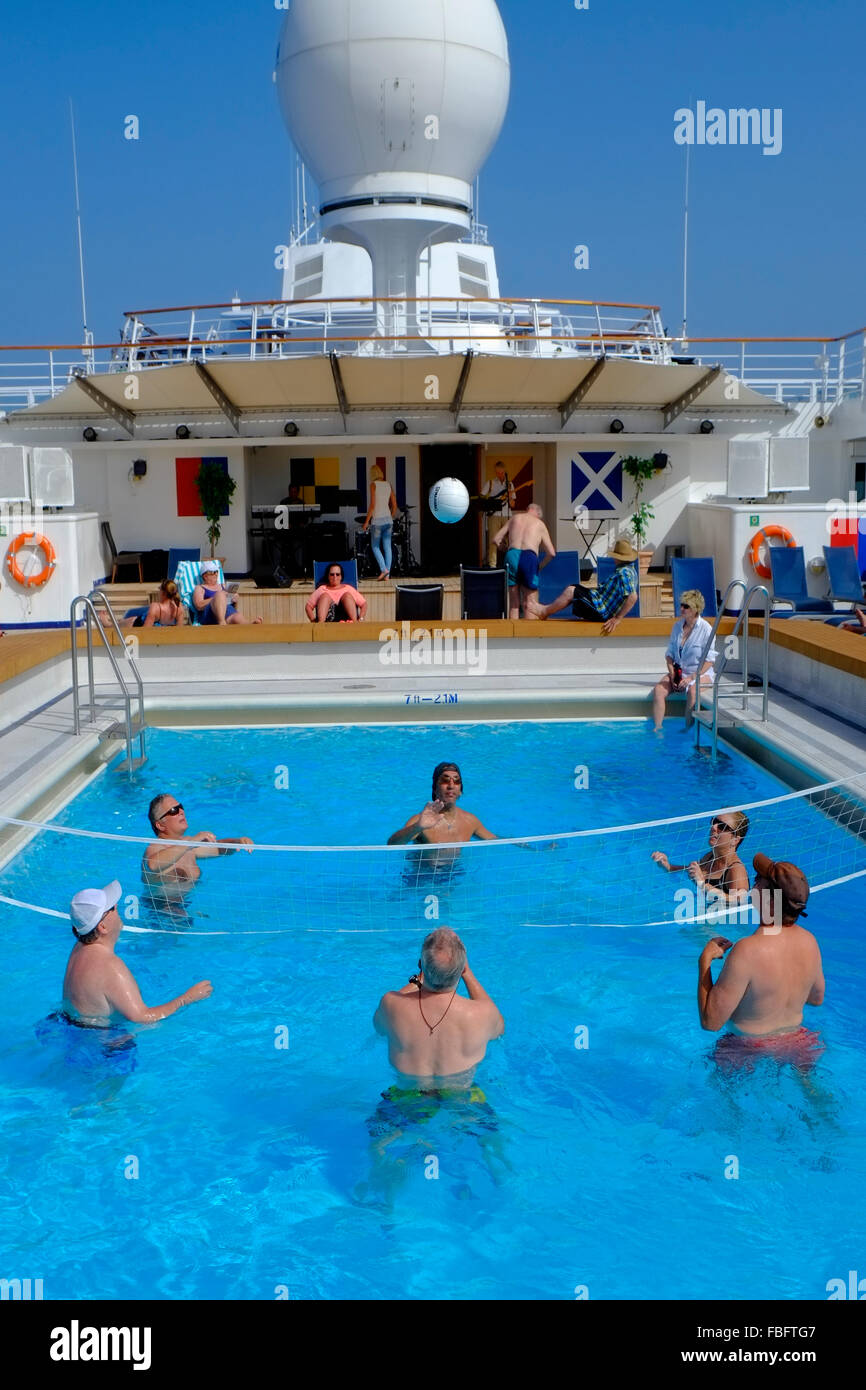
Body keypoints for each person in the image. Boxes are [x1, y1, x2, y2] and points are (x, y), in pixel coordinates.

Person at [699, 854, 825, 1069]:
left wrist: (704, 962)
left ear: (770, 900)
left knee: (728, 1095)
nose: (752, 884)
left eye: (758, 881)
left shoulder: (747, 950)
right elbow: (816, 999)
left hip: (746, 1046)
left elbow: (711, 1023)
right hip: (797, 1041)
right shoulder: (810, 941)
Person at [61, 880, 212, 1025]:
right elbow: (142, 1018)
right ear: (103, 927)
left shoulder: (79, 947)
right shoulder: (110, 967)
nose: (117, 906)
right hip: (105, 1041)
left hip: (68, 1022)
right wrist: (186, 999)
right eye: (112, 908)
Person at [142, 794, 254, 902]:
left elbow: (219, 849)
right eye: (174, 811)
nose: (181, 812)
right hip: (161, 910)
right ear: (160, 825)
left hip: (185, 905)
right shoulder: (155, 847)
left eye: (181, 807)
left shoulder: (188, 845)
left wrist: (238, 842)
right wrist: (191, 842)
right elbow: (152, 864)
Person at [532, 537, 639, 632]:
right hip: (599, 604)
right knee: (575, 588)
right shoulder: (630, 570)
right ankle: (545, 611)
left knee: (571, 591)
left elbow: (633, 597)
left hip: (601, 610)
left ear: (617, 557)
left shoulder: (625, 573)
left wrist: (617, 618)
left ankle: (544, 611)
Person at [652, 810, 750, 908]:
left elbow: (740, 901)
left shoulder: (736, 869)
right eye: (714, 821)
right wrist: (668, 866)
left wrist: (703, 884)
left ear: (735, 840)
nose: (713, 827)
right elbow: (693, 871)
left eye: (721, 826)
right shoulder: (710, 857)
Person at [387, 762, 497, 848]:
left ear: (460, 791)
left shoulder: (470, 821)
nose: (451, 785)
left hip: (456, 874)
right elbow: (392, 845)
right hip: (423, 875)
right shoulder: (421, 820)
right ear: (435, 789)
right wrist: (418, 827)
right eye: (445, 780)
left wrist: (514, 842)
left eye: (456, 781)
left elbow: (495, 840)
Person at [652, 588, 716, 730]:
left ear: (695, 608)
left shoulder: (706, 629)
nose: (681, 608)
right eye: (681, 605)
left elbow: (710, 661)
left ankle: (688, 730)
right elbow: (669, 655)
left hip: (701, 673)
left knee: (692, 691)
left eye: (686, 606)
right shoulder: (677, 626)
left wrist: (691, 678)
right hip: (680, 672)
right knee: (658, 690)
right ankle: (657, 728)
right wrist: (673, 674)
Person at [492, 504, 556, 619]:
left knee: (514, 604)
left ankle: (512, 634)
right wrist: (540, 566)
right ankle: (529, 635)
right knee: (530, 603)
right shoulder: (539, 524)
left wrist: (505, 549)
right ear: (538, 514)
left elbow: (496, 539)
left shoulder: (514, 518)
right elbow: (551, 553)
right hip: (529, 557)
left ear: (528, 509)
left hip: (511, 555)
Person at [192, 565, 262, 626]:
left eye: (217, 572)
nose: (216, 574)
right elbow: (199, 605)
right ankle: (221, 622)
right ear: (205, 576)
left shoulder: (223, 585)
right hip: (210, 614)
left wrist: (234, 598)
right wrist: (215, 598)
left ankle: (249, 625)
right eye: (213, 572)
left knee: (237, 617)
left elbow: (231, 601)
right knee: (220, 594)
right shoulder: (200, 588)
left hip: (227, 612)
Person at [362, 463, 397, 580]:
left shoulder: (373, 485)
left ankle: (384, 570)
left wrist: (366, 522)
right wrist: (390, 516)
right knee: (387, 547)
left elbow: (372, 505)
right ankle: (387, 574)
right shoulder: (388, 484)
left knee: (375, 546)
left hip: (377, 521)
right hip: (388, 521)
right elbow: (395, 506)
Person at [482, 461, 518, 565]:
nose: (499, 474)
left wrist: (510, 496)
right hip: (494, 515)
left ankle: (509, 564)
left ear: (504, 471)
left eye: (501, 472)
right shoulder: (490, 483)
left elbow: (513, 504)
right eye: (497, 472)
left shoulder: (510, 484)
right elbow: (482, 498)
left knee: (509, 540)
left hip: (507, 515)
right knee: (493, 541)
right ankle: (492, 565)